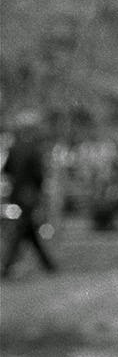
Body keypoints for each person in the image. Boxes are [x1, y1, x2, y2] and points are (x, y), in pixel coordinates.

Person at [1, 111, 59, 279]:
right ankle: (7, 266)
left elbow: (7, 171)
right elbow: (39, 175)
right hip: (29, 195)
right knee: (23, 230)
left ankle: (48, 265)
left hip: (17, 194)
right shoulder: (34, 150)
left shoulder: (14, 148)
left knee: (27, 230)